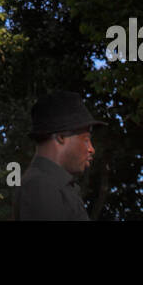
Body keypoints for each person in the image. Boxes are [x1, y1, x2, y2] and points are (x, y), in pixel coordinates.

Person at [13, 90, 105, 220]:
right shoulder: (41, 186)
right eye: (86, 139)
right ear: (61, 137)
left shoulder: (53, 185)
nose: (91, 149)